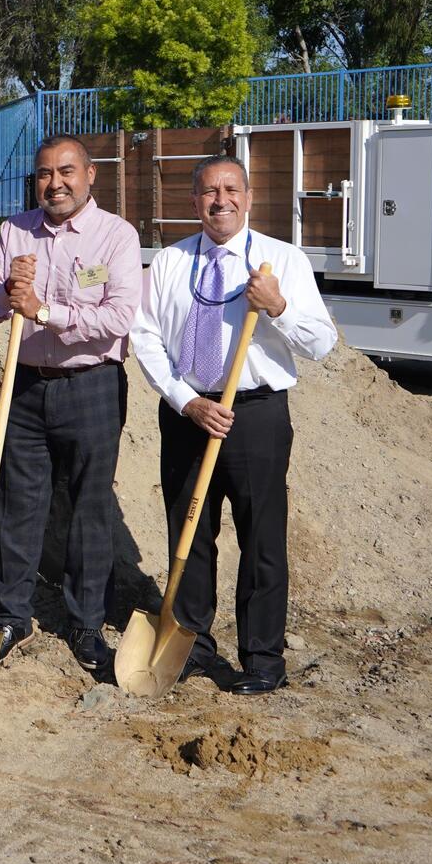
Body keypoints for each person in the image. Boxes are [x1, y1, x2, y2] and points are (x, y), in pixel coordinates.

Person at [129, 156, 337, 695]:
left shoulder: (282, 260)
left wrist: (278, 307)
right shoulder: (170, 262)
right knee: (190, 533)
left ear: (247, 197)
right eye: (208, 191)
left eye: (230, 190)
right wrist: (185, 401)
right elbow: (144, 336)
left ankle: (263, 658)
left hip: (255, 416)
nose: (220, 200)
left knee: (261, 538)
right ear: (193, 201)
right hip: (188, 415)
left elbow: (321, 343)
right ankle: (193, 645)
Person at [0, 135, 143, 671]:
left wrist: (45, 312)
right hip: (25, 386)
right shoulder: (15, 231)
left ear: (90, 175)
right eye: (45, 173)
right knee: (19, 503)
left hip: (92, 385)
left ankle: (86, 622)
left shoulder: (116, 235)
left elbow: (119, 318)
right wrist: (8, 291)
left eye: (66, 171)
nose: (55, 183)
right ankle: (12, 615)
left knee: (90, 505)